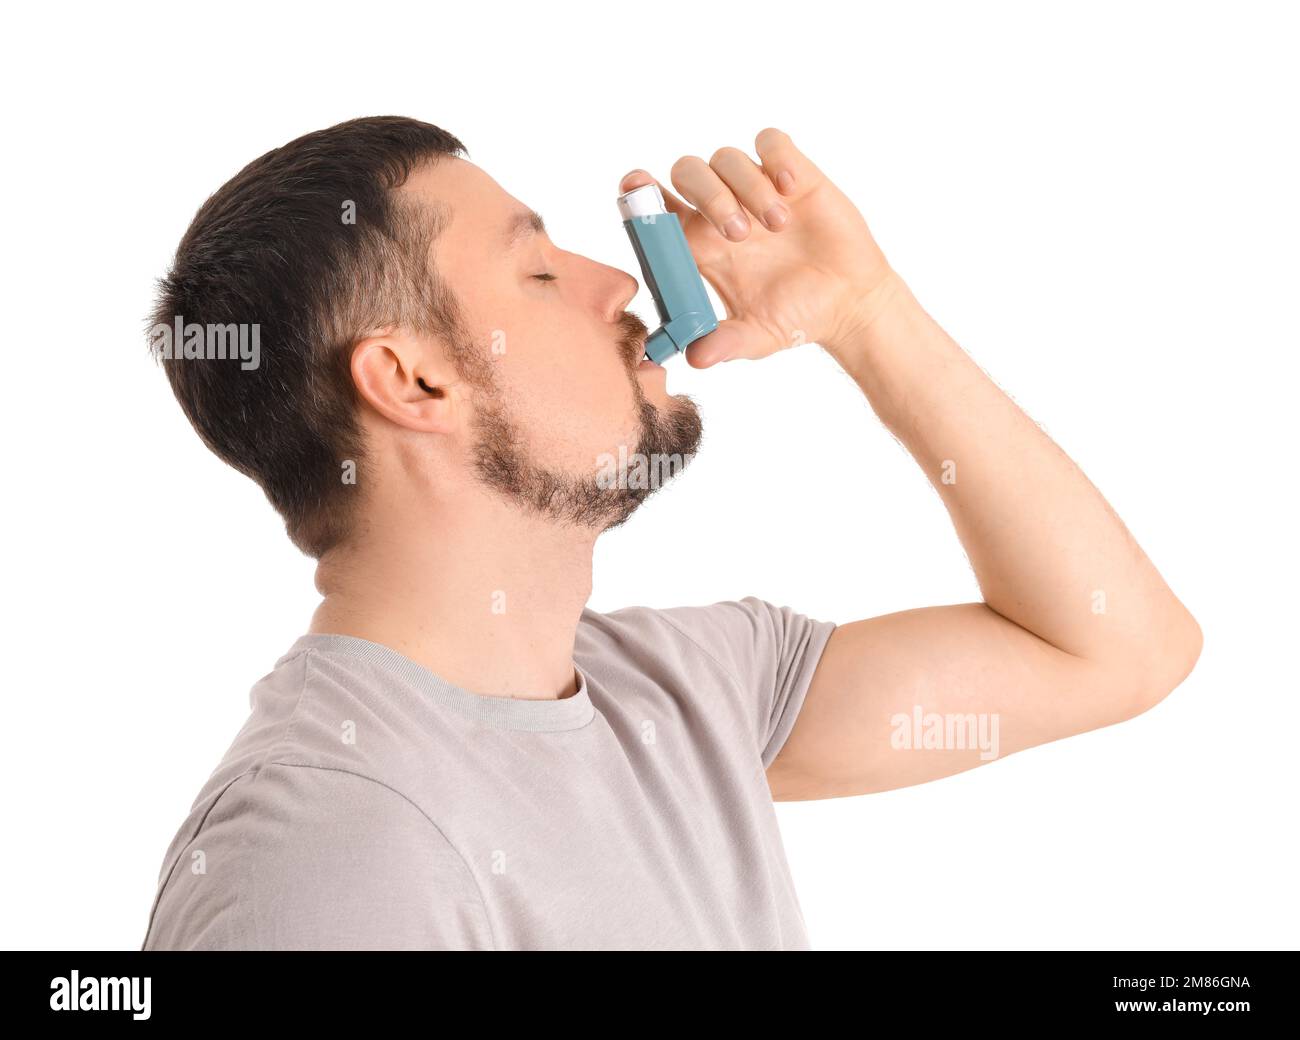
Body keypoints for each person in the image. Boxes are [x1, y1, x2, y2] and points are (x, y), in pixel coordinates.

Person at [140, 116, 1201, 950]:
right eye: (541, 272)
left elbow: (1116, 648)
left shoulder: (687, 688)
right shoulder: (328, 843)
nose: (620, 284)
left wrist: (868, 314)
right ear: (413, 378)